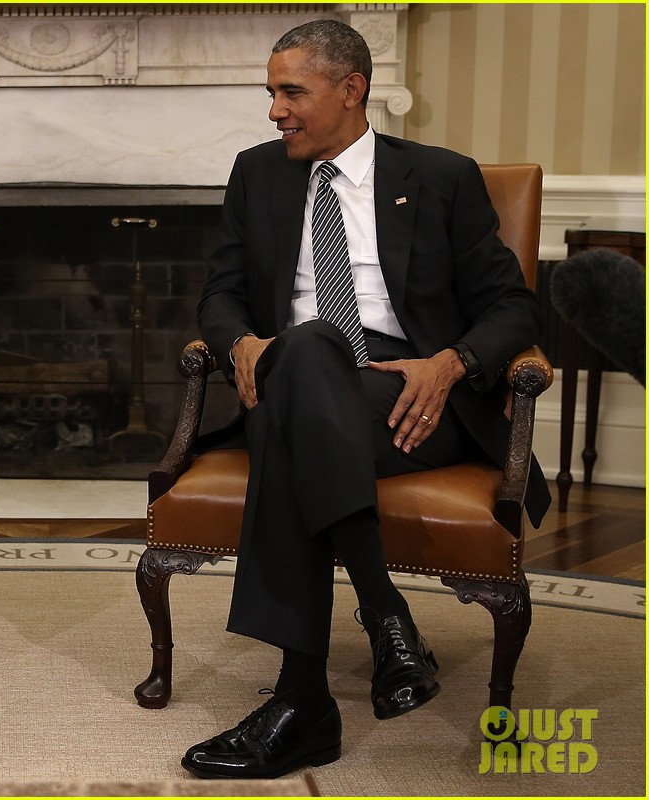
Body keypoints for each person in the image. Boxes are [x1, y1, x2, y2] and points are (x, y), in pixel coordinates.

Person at [183, 19, 549, 779]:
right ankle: (383, 614)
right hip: (292, 376)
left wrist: (449, 364)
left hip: (411, 399)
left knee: (296, 412)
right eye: (272, 93)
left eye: (292, 92)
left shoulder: (443, 176)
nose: (275, 111)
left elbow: (512, 307)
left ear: (351, 91)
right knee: (309, 345)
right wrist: (243, 344)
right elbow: (219, 296)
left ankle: (303, 705)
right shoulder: (257, 173)